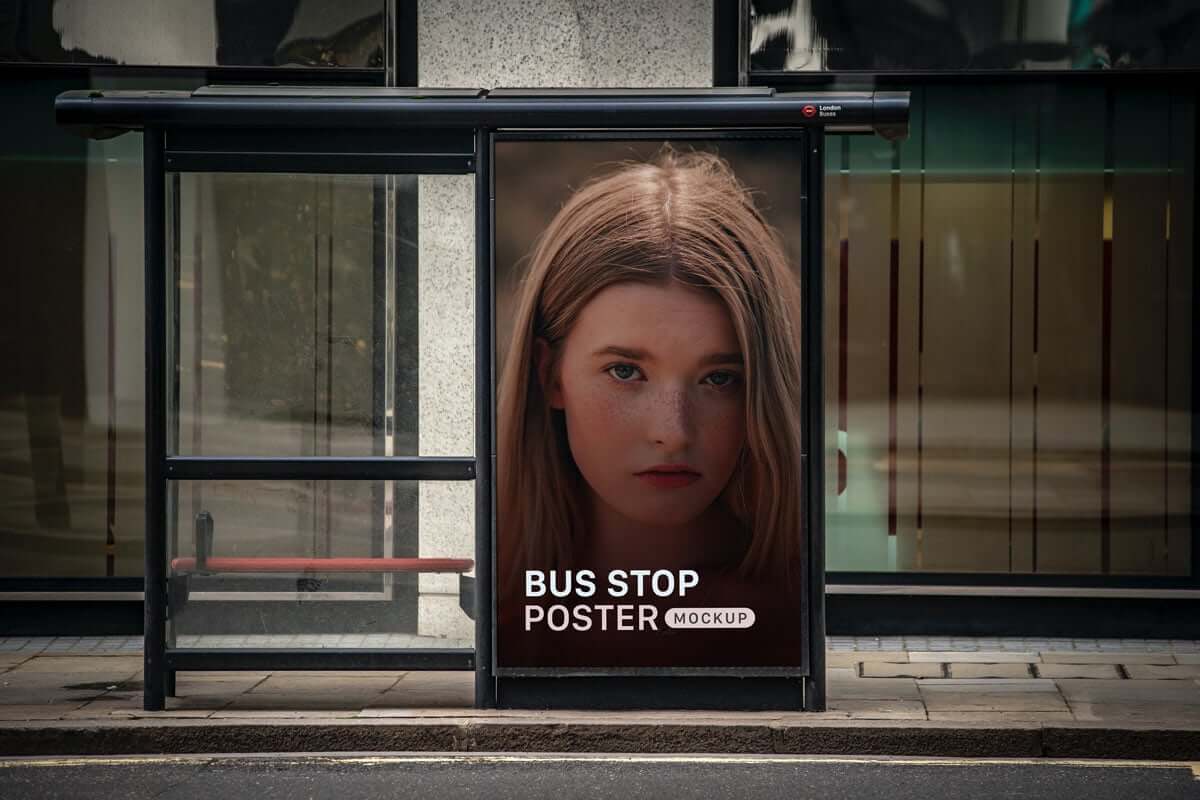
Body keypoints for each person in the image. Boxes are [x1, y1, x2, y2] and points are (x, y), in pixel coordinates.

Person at [497, 147, 805, 668]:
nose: (673, 432)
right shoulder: (503, 615)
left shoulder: (790, 619)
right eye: (625, 371)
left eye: (719, 378)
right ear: (549, 376)